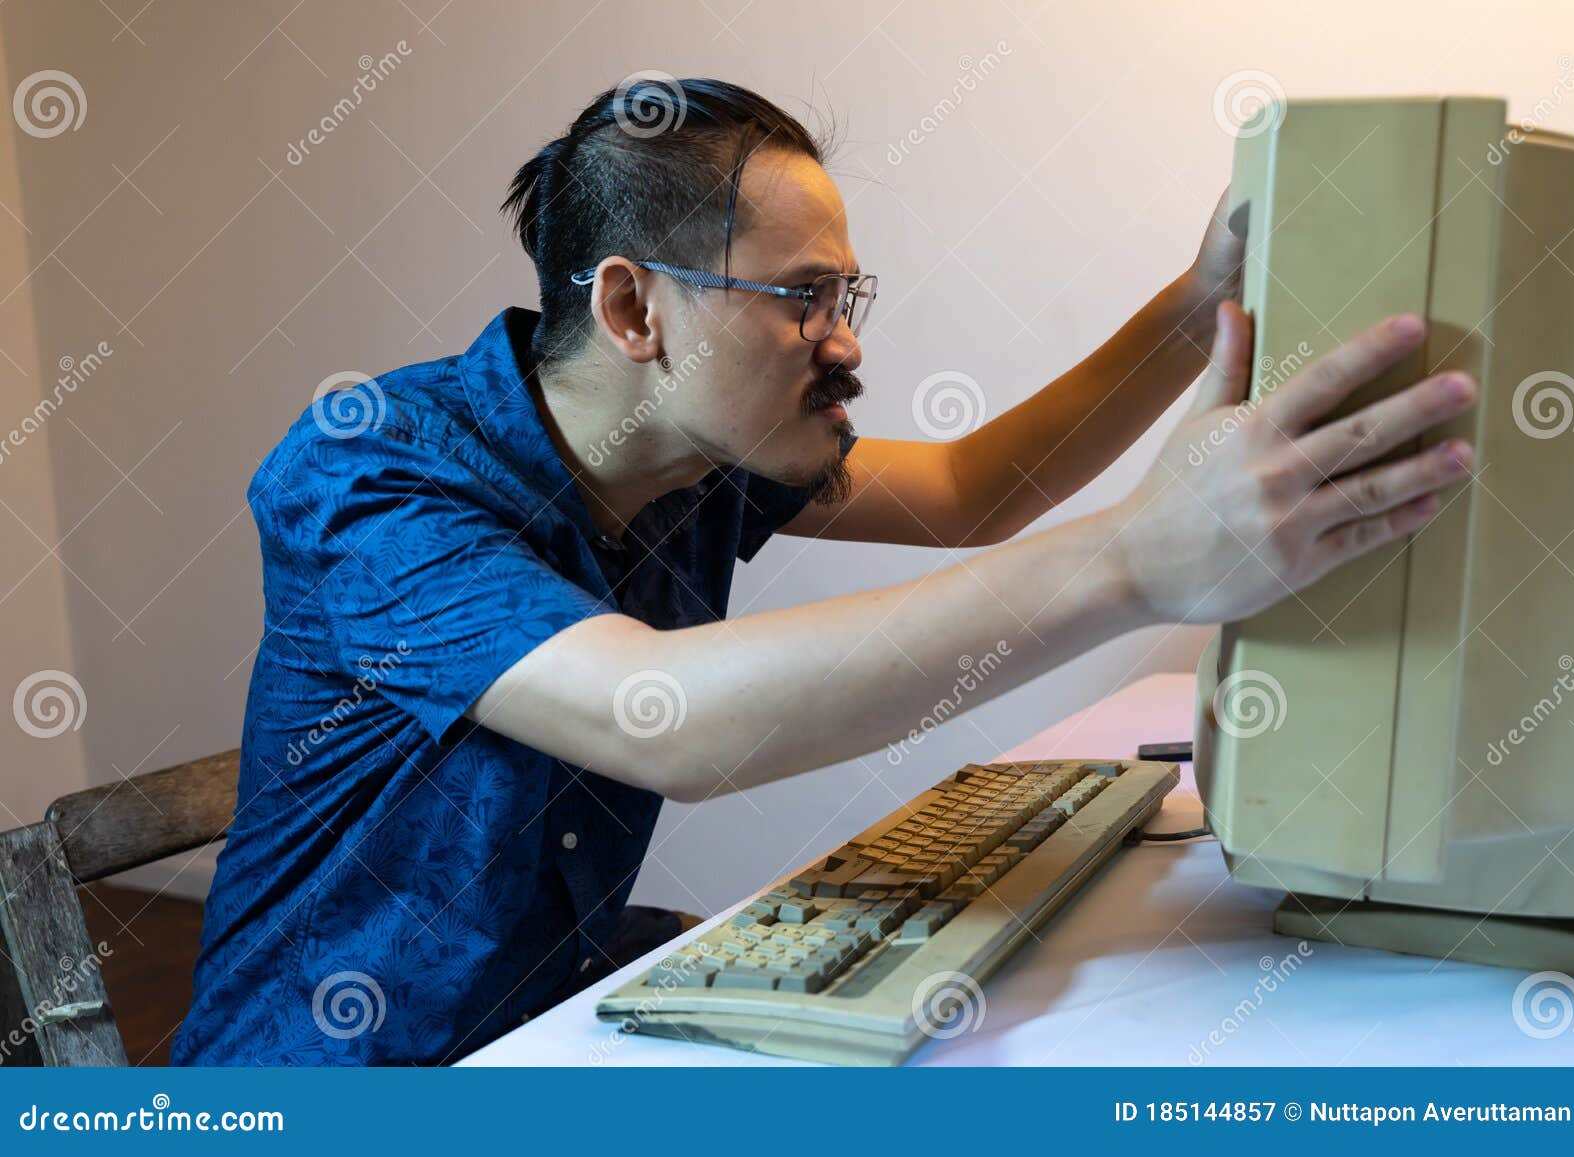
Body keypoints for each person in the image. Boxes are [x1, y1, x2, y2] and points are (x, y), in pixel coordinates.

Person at [171, 77, 1475, 1065]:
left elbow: (974, 491)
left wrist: (1194, 305)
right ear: (634, 311)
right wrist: (1139, 558)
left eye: (847, 298)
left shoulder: (692, 455)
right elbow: (663, 715)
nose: (844, 346)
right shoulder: (371, 476)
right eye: (802, 298)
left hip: (543, 1028)